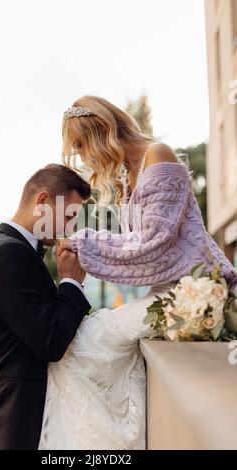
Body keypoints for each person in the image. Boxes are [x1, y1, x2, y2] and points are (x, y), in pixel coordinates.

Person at [38, 96, 237, 450]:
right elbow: (140, 246)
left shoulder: (157, 155)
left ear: (102, 132)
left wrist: (82, 242)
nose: (84, 159)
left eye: (82, 146)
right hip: (165, 292)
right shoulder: (130, 176)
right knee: (79, 343)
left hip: (192, 290)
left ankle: (118, 441)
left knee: (81, 346)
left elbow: (155, 241)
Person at [0, 164, 92, 450]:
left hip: (14, 422)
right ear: (43, 202)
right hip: (4, 425)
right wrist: (71, 281)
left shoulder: (16, 251)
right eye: (70, 216)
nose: (70, 228)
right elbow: (50, 341)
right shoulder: (8, 254)